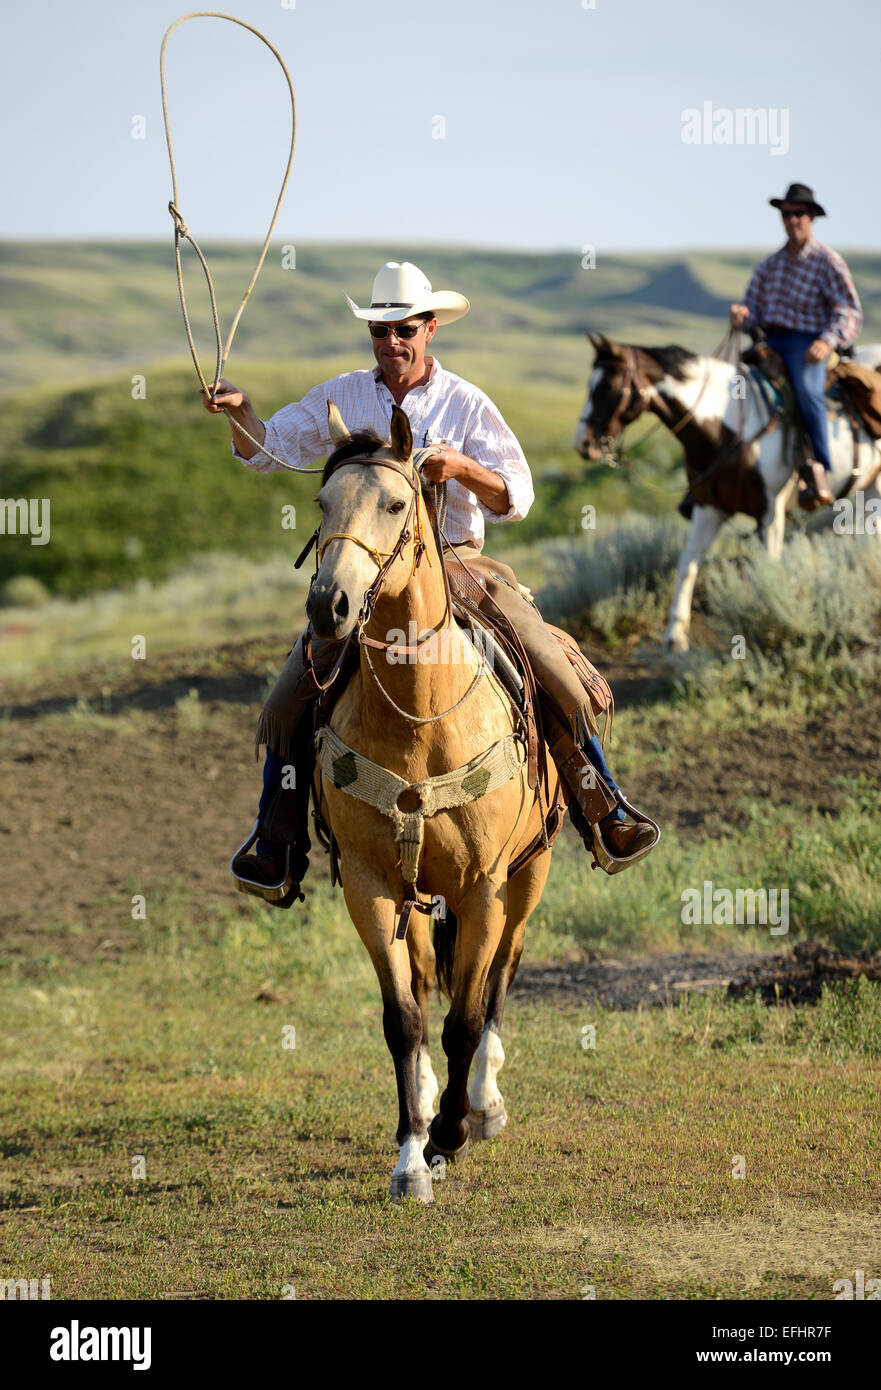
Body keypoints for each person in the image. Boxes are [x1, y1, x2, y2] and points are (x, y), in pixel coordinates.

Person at [204, 261, 657, 900]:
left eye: (404, 329)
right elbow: (270, 449)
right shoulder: (344, 393)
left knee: (545, 661)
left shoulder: (466, 402)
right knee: (288, 698)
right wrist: (240, 410)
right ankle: (276, 840)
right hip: (370, 572)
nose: (392, 343)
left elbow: (517, 494)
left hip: (459, 563)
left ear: (430, 327)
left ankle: (602, 803)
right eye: (381, 331)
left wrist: (462, 466)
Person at [730, 182, 863, 508]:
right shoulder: (768, 266)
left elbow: (849, 311)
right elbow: (753, 312)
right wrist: (742, 315)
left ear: (811, 217)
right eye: (787, 214)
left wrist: (826, 341)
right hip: (771, 341)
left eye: (799, 214)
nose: (792, 220)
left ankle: (820, 469)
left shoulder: (827, 262)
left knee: (806, 392)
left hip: (808, 343)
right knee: (731, 387)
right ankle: (718, 472)